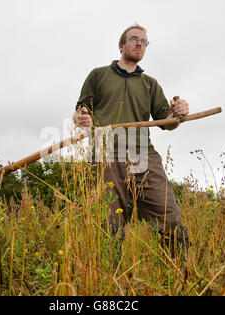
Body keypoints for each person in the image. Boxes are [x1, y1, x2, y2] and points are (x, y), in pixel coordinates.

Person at [72, 24, 190, 258]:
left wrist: (178, 114)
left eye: (144, 41)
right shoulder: (98, 75)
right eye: (134, 39)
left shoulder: (150, 84)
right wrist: (81, 118)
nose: (139, 44)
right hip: (105, 155)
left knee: (170, 218)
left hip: (143, 155)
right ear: (121, 45)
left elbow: (166, 121)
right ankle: (109, 281)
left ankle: (181, 275)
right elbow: (79, 112)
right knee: (110, 225)